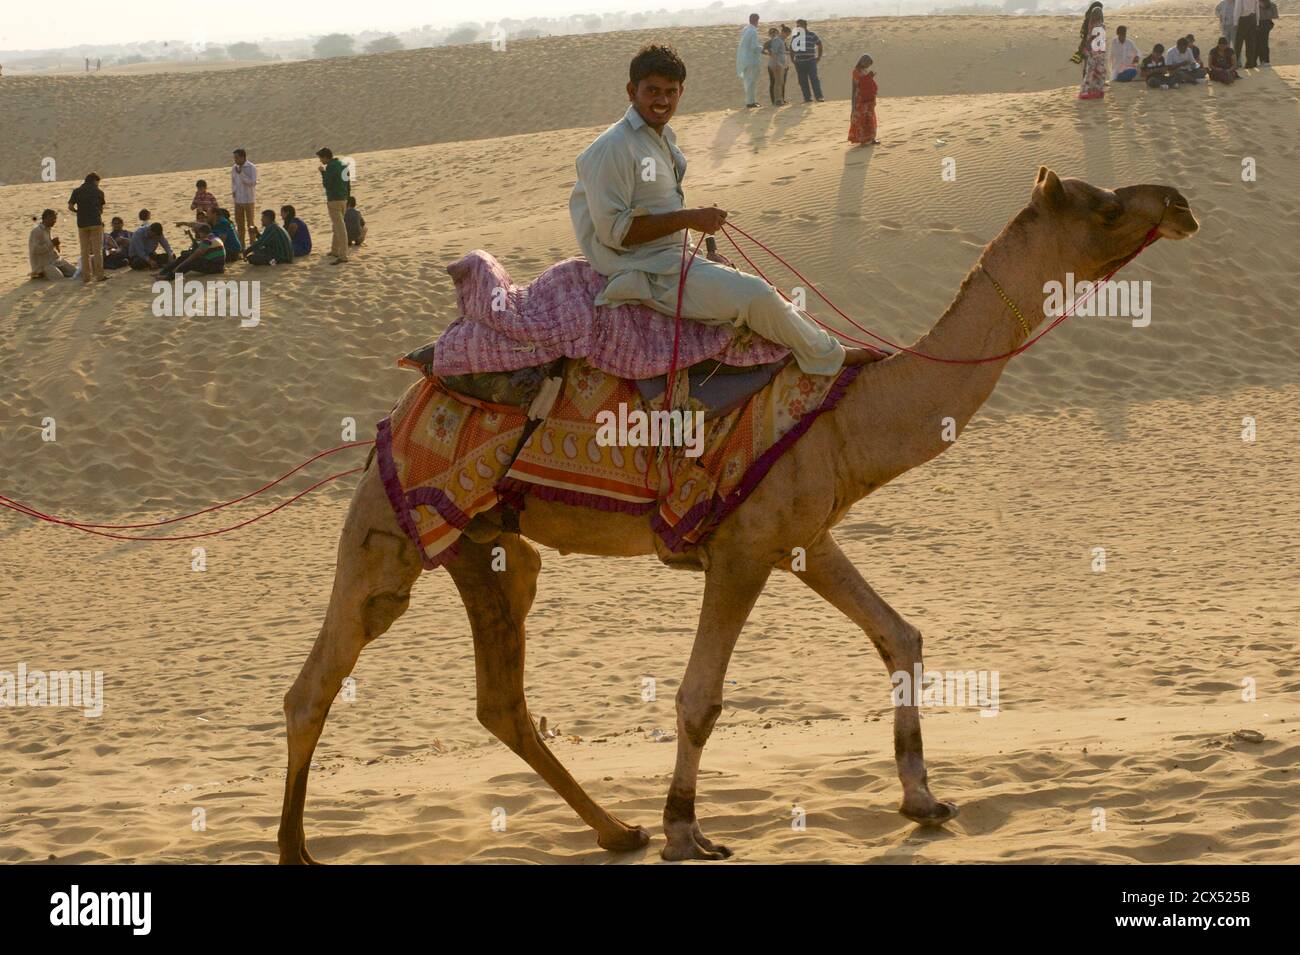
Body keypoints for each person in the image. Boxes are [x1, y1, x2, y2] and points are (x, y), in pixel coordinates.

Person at [569, 44, 875, 377]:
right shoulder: (612, 147)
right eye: (652, 91)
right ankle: (829, 357)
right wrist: (690, 219)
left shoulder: (660, 136)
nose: (663, 100)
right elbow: (615, 233)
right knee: (756, 296)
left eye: (671, 92)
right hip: (645, 272)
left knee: (765, 292)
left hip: (673, 257)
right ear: (632, 91)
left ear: (681, 92)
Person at [67, 172, 107, 283]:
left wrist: (78, 212)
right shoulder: (99, 192)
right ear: (95, 181)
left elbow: (70, 206)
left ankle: (86, 277)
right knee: (97, 250)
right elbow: (101, 210)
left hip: (82, 223)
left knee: (84, 251)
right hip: (95, 222)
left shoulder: (77, 191)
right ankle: (99, 275)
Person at [316, 147, 350, 264]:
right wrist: (348, 196)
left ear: (325, 157)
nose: (321, 161)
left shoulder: (330, 167)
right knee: (337, 226)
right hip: (343, 198)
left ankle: (343, 255)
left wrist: (322, 172)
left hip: (334, 199)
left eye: (321, 158)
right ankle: (335, 250)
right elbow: (347, 181)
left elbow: (327, 184)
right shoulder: (343, 164)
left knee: (340, 227)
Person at [159, 223, 226, 278]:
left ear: (202, 233)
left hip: (214, 267)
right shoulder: (215, 238)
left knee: (189, 263)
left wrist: (179, 267)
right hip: (217, 266)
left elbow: (193, 256)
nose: (199, 236)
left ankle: (170, 276)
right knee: (185, 257)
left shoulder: (207, 240)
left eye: (199, 234)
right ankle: (165, 272)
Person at [28, 210, 76, 280]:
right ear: (47, 218)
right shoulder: (37, 231)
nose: (55, 221)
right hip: (43, 264)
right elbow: (35, 250)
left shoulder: (48, 229)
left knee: (75, 272)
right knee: (59, 278)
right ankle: (39, 274)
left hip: (54, 260)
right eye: (53, 219)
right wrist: (52, 243)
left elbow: (50, 245)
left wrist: (55, 244)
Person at [1077, 3, 1107, 100]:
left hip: (1095, 51)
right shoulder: (1099, 25)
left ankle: (1089, 91)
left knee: (1092, 71)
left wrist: (1087, 47)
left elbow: (1091, 38)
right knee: (1097, 71)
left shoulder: (1093, 24)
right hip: (1098, 52)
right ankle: (1094, 90)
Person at [791, 19, 825, 103]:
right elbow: (791, 48)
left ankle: (819, 97)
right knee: (802, 81)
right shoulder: (795, 37)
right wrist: (792, 60)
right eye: (797, 26)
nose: (797, 27)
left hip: (810, 60)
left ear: (805, 26)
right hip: (799, 61)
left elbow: (819, 44)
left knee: (814, 79)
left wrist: (819, 57)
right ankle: (807, 98)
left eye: (799, 26)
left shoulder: (812, 35)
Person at [848, 54, 879, 146]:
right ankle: (862, 140)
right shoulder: (856, 71)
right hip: (860, 100)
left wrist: (870, 77)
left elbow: (867, 83)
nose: (868, 66)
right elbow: (860, 83)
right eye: (867, 64)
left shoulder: (864, 71)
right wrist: (869, 77)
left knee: (870, 118)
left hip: (869, 100)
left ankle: (871, 138)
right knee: (861, 119)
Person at [230, 148, 258, 247]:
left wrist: (241, 174)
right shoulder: (234, 168)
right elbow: (233, 181)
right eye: (234, 158)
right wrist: (234, 191)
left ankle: (253, 244)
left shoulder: (251, 167)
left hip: (248, 199)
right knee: (239, 224)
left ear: (243, 157)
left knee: (250, 223)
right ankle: (241, 245)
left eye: (237, 158)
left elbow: (253, 183)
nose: (235, 160)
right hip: (238, 200)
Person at [737, 13, 763, 108]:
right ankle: (750, 102)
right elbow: (754, 47)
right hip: (751, 60)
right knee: (751, 82)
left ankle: (751, 101)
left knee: (748, 81)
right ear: (756, 21)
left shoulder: (745, 29)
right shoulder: (753, 31)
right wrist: (763, 48)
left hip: (744, 59)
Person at [762, 26, 789, 106]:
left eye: (775, 33)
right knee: (774, 82)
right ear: (769, 35)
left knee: (782, 82)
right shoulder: (768, 43)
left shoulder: (782, 41)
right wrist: (769, 53)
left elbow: (785, 51)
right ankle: (775, 100)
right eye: (771, 33)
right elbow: (762, 50)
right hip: (774, 65)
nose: (773, 35)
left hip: (783, 64)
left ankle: (782, 99)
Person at [1234, 0, 1260, 69]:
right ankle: (1250, 63)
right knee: (1250, 42)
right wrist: (1257, 22)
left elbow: (1238, 9)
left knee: (1238, 43)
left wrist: (1235, 22)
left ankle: (1234, 63)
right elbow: (1257, 8)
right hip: (1253, 18)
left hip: (1244, 18)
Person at [1258, 0, 1277, 67]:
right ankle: (1264, 61)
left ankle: (1265, 61)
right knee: (1262, 42)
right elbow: (1275, 16)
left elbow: (1275, 15)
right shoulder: (1272, 4)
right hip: (1265, 24)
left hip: (1263, 24)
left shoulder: (1271, 4)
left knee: (1263, 43)